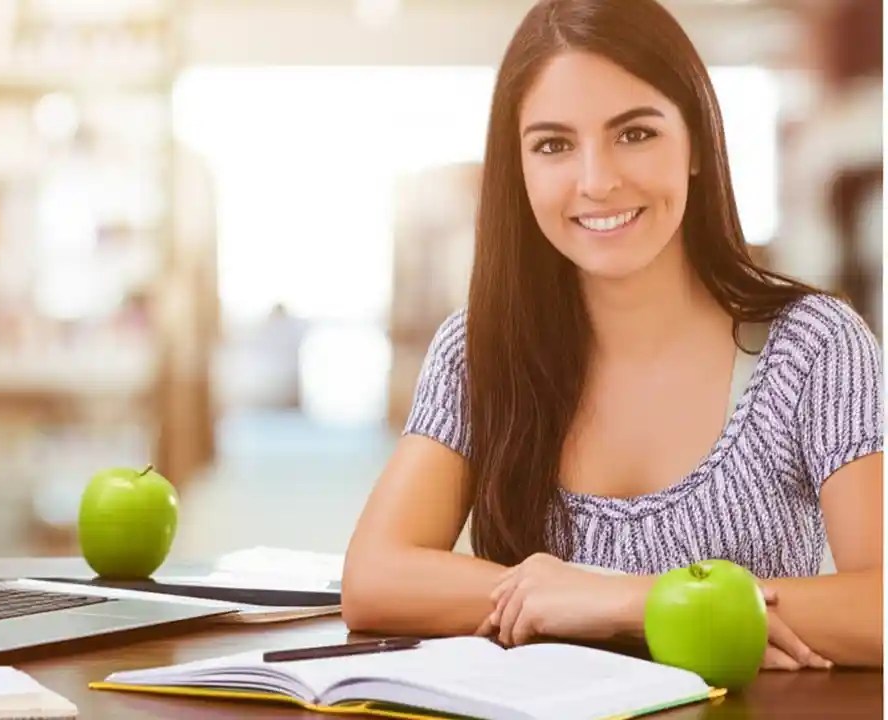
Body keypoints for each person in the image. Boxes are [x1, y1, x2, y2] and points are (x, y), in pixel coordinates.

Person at [342, 0, 883, 670]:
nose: (597, 181)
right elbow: (374, 580)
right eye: (553, 145)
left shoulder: (815, 346)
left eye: (635, 134)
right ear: (519, 170)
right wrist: (689, 610)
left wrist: (625, 601)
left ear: (696, 144)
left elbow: (879, 608)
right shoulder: (480, 350)